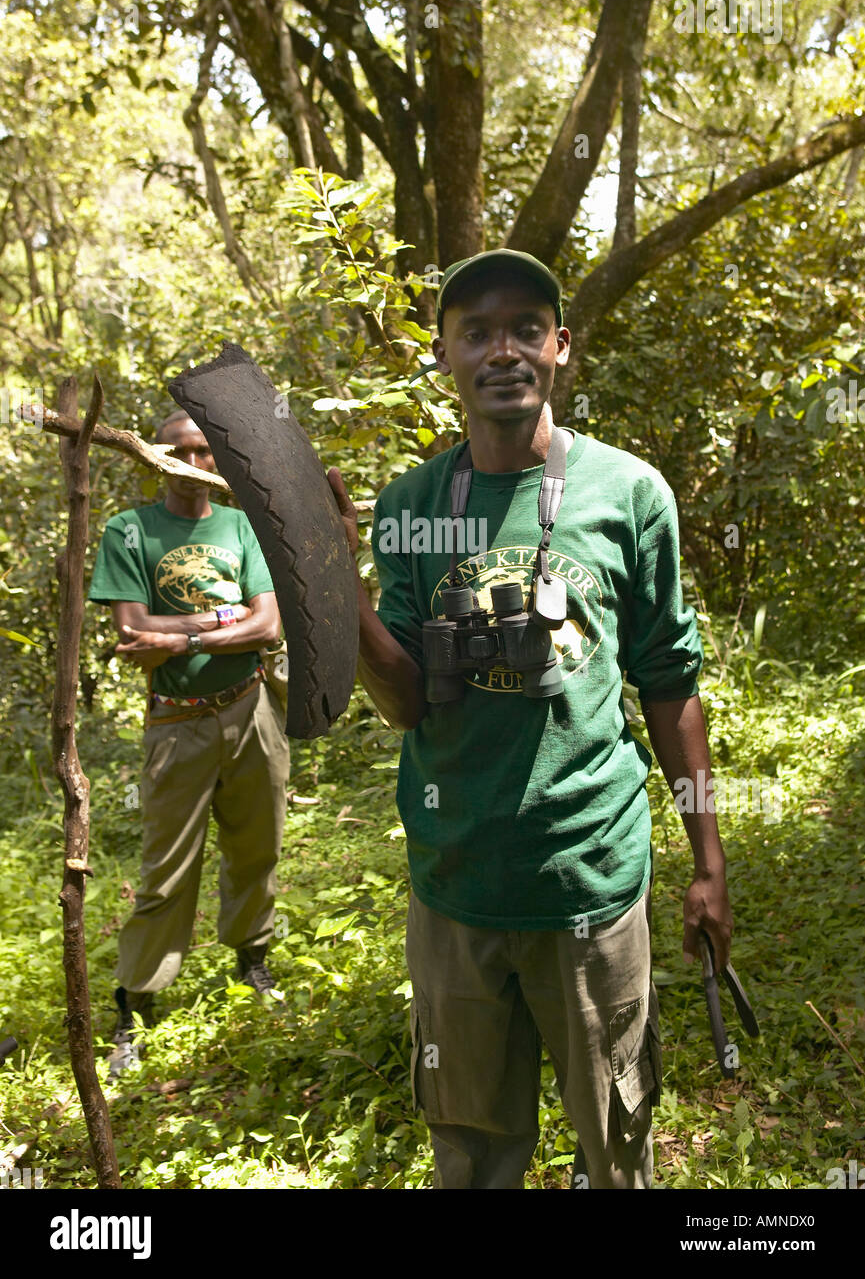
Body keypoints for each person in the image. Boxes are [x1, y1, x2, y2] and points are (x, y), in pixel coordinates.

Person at [327, 248, 733, 1189]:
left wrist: (706, 861)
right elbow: (401, 701)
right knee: (470, 1149)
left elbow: (669, 685)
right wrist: (336, 579)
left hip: (587, 882)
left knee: (615, 1142)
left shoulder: (628, 494)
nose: (500, 350)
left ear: (560, 347)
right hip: (455, 882)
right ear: (444, 356)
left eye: (523, 328)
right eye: (475, 332)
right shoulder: (411, 507)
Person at [88, 409, 292, 1077]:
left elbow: (266, 626)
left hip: (251, 706)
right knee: (166, 869)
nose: (195, 464)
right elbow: (132, 635)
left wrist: (183, 635)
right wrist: (220, 616)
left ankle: (252, 959)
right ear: (155, 458)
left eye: (207, 452)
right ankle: (137, 999)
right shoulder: (130, 530)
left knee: (256, 846)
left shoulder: (240, 526)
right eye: (180, 451)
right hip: (177, 719)